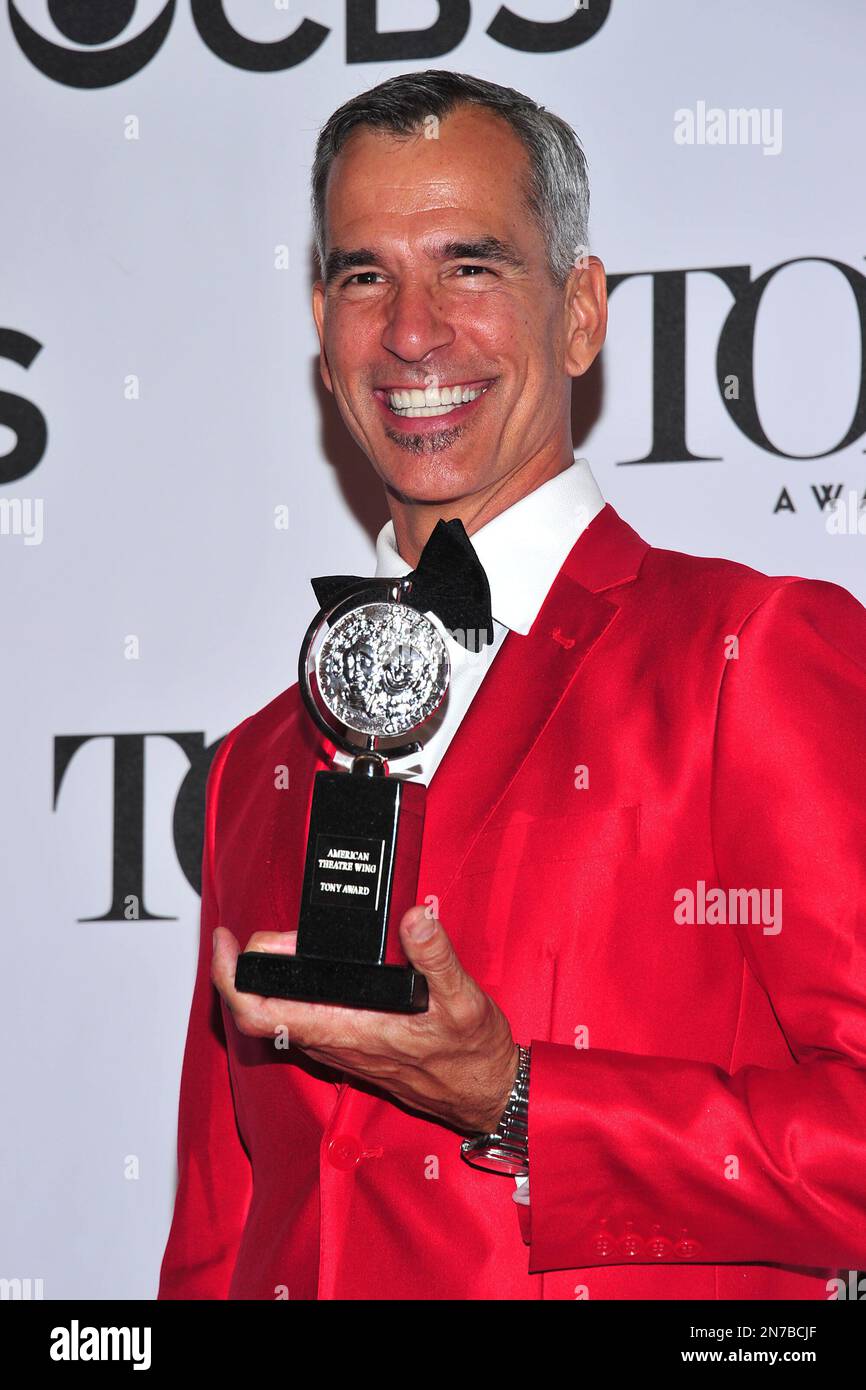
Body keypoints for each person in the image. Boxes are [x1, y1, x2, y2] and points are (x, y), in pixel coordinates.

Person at [158, 70, 866, 1301]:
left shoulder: (745, 656)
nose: (414, 331)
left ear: (580, 313)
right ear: (322, 329)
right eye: (365, 275)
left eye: (470, 266)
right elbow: (220, 1236)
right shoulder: (250, 765)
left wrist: (520, 1096)